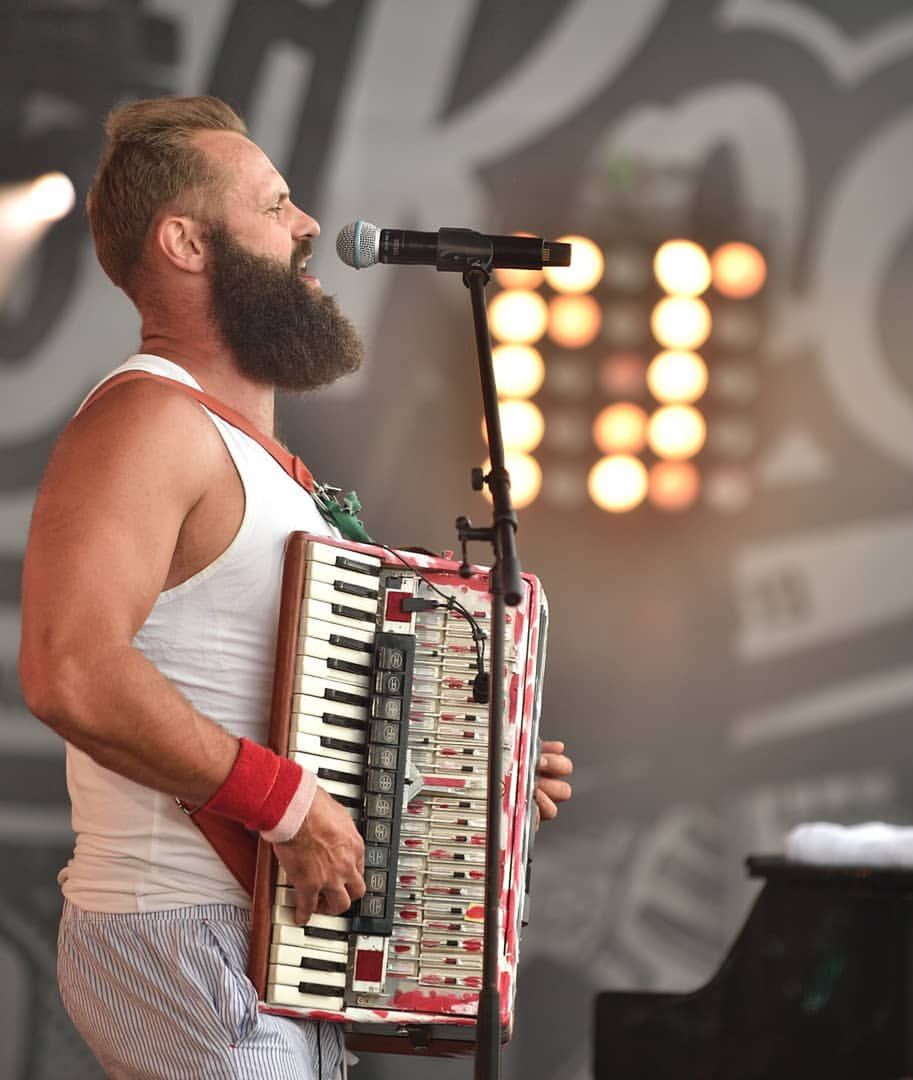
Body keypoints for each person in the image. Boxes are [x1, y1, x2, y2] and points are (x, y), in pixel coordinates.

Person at [18, 95, 573, 1080]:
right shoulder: (147, 422)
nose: (308, 224)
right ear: (188, 242)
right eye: (274, 205)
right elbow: (70, 670)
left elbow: (272, 703)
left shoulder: (245, 454)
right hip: (186, 925)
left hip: (265, 946)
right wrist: (284, 806)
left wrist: (466, 790)